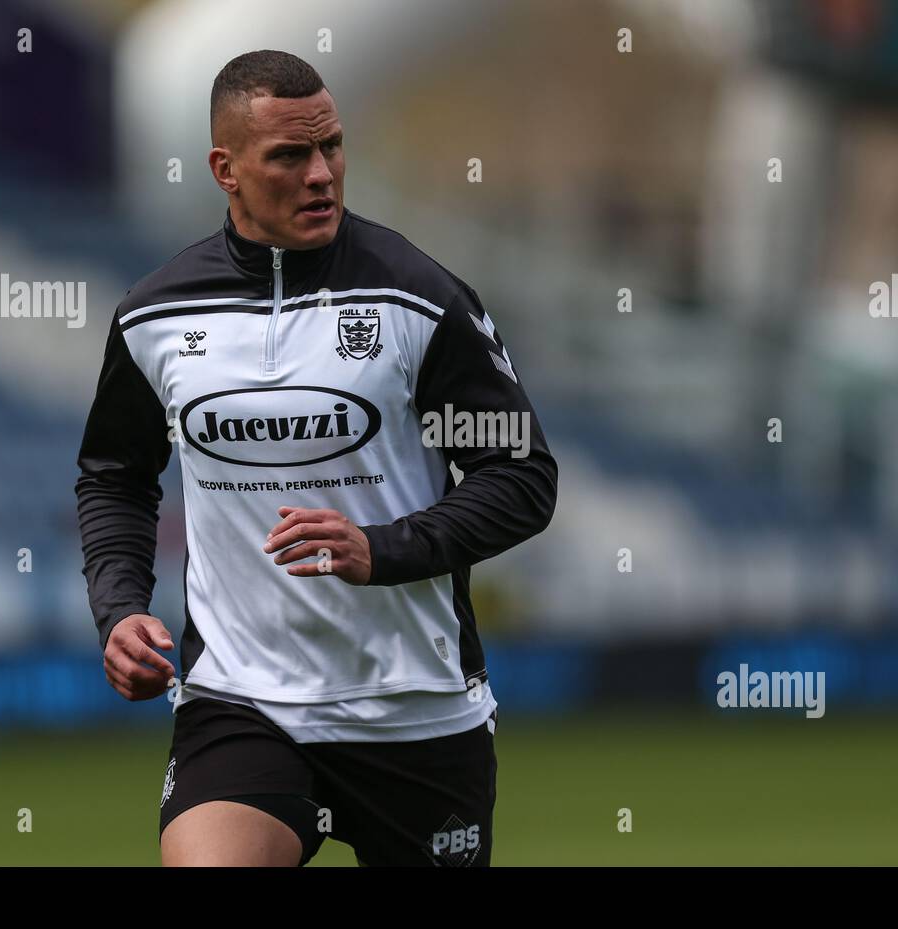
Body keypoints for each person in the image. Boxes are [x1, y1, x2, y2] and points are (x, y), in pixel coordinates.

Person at [74, 49, 557, 866]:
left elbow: (522, 478)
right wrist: (121, 609)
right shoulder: (154, 316)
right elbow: (115, 477)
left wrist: (385, 547)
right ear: (224, 170)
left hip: (416, 709)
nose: (322, 174)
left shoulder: (418, 299)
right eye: (291, 156)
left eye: (332, 147)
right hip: (241, 700)